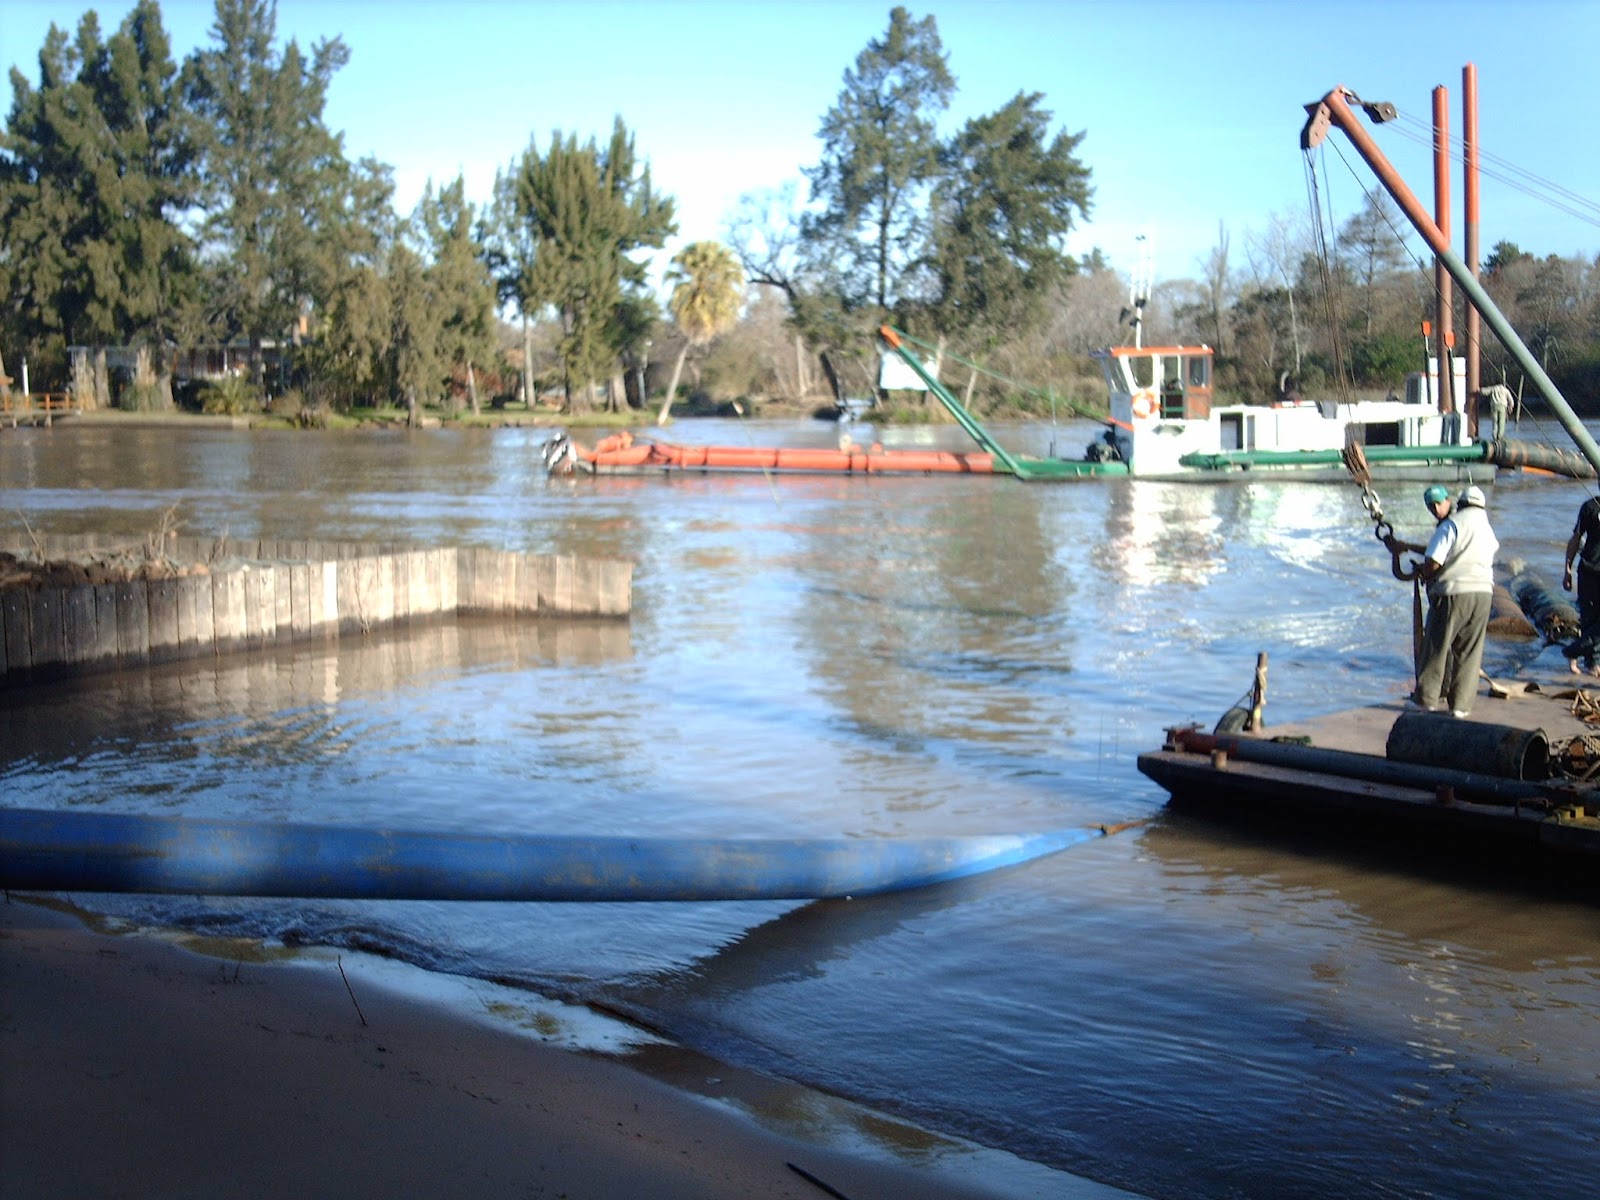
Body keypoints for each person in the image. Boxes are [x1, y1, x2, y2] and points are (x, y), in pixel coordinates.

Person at [1411, 484, 1498, 717]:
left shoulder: (1453, 524)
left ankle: (1427, 700)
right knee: (1469, 651)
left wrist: (1424, 572)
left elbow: (1434, 560)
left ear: (1459, 504)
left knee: (1437, 646)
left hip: (1453, 592)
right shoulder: (1488, 530)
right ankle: (1460, 707)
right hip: (1484, 594)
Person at [1561, 493, 1600, 674]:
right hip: (1589, 570)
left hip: (1587, 571)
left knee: (1593, 620)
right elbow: (1576, 538)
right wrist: (1567, 569)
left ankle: (1577, 653)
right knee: (1589, 618)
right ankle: (1591, 662)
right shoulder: (1590, 507)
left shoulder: (1589, 506)